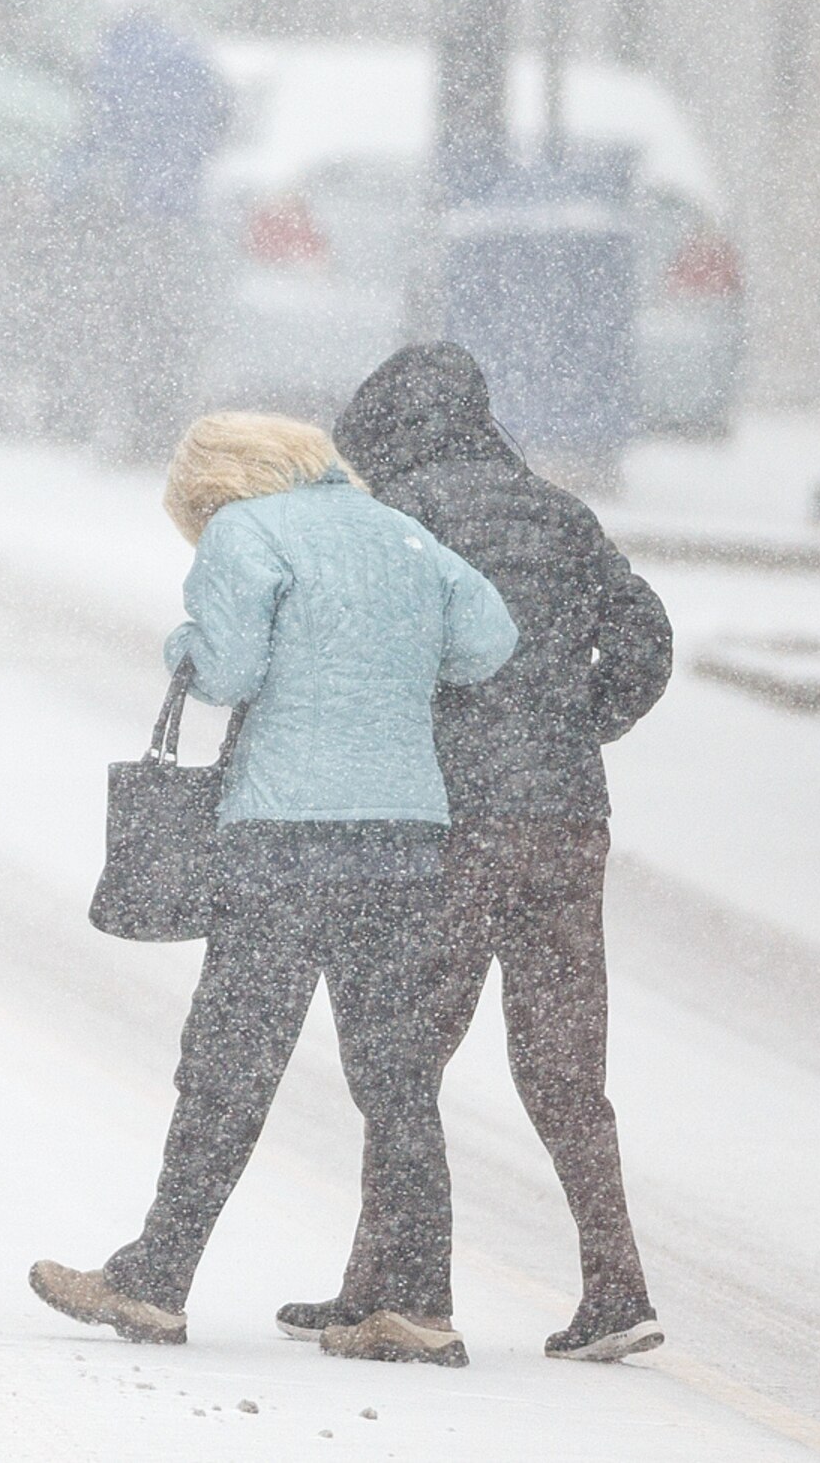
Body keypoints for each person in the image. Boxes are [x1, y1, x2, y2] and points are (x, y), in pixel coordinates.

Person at [32, 412, 516, 1366]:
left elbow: (229, 668)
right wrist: (388, 670)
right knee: (397, 1079)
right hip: (403, 840)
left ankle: (154, 1282)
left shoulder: (245, 532)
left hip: (284, 838)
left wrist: (185, 644)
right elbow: (487, 643)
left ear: (211, 486)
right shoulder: (400, 531)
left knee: (230, 1067)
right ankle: (419, 1303)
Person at [280, 343, 676, 1364]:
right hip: (565, 823)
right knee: (564, 1065)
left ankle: (409, 1295)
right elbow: (646, 635)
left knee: (401, 1056)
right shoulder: (558, 510)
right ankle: (616, 1284)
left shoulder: (399, 516)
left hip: (453, 821)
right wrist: (574, 723)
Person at [50, 0, 230, 458]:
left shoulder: (116, 58)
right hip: (180, 211)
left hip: (130, 212)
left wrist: (65, 188)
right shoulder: (188, 54)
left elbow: (99, 131)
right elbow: (217, 120)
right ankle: (167, 426)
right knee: (171, 324)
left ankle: (135, 428)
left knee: (128, 322)